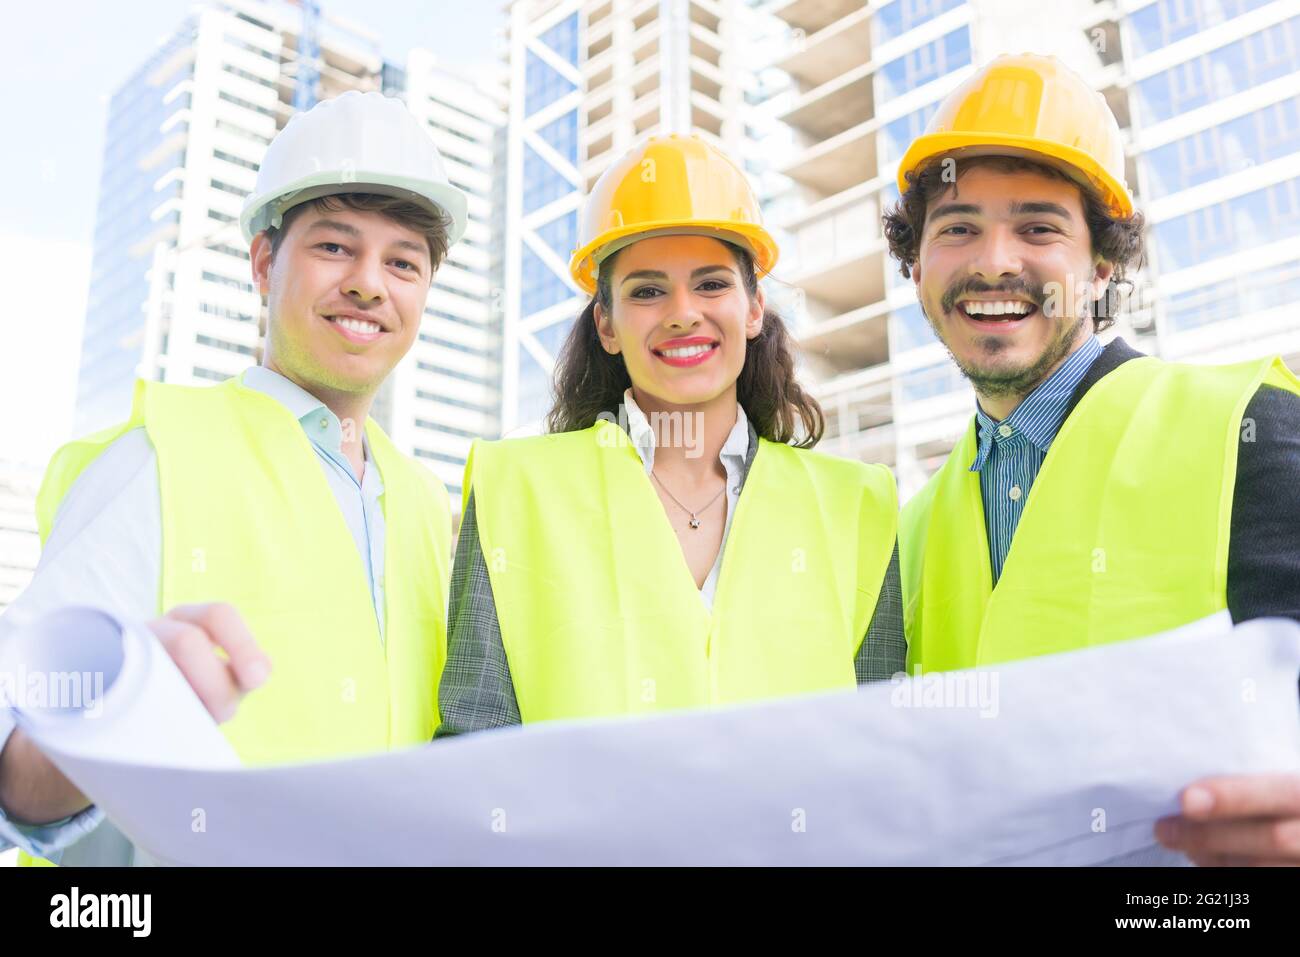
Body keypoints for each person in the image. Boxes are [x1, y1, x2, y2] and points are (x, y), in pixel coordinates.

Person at [0, 90, 466, 865]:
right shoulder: (161, 454)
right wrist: (119, 702)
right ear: (262, 263)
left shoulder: (421, 501)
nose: (368, 283)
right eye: (333, 247)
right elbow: (17, 764)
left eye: (403, 262)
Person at [888, 53, 1300, 866]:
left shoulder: (1246, 427)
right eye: (958, 226)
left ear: (1101, 263)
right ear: (917, 264)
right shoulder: (911, 532)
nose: (995, 260)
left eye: (1039, 227)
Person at [436, 134, 902, 735]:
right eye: (648, 291)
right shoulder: (515, 489)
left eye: (711, 284)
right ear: (606, 323)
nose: (683, 312)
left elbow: (879, 745)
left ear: (754, 308)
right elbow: (476, 739)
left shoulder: (856, 505)